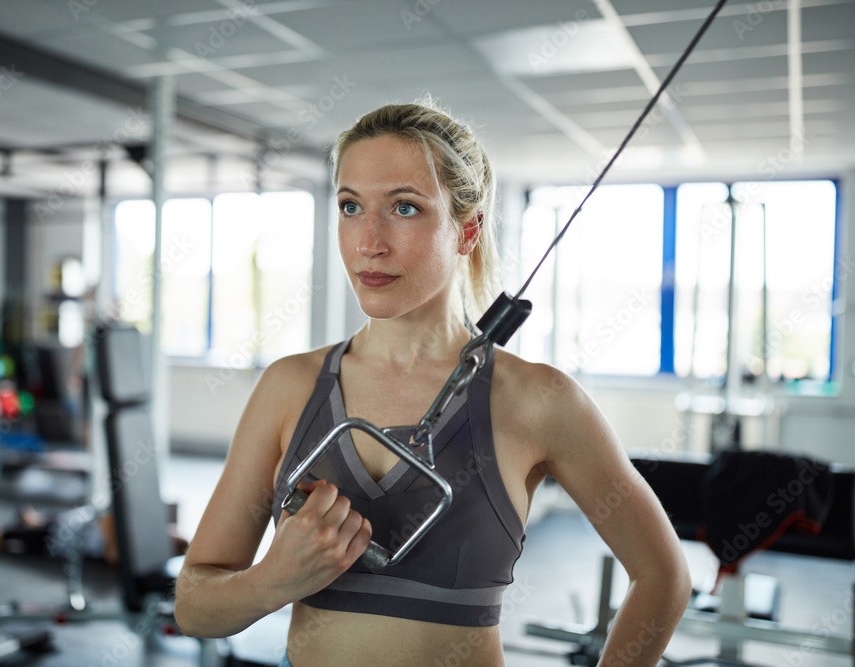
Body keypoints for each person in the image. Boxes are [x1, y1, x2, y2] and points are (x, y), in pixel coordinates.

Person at [174, 99, 691, 666]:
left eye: (404, 208)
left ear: (467, 230)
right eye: (351, 206)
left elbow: (662, 575)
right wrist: (273, 579)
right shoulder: (288, 386)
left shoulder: (540, 400)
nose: (369, 240)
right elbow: (196, 609)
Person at [0, 504, 189, 566]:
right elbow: (109, 515)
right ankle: (32, 518)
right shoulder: (140, 529)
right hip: (70, 519)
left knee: (4, 539)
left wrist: (113, 535)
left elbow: (111, 555)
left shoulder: (140, 552)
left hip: (60, 537)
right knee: (30, 523)